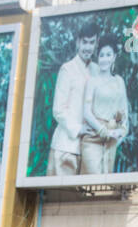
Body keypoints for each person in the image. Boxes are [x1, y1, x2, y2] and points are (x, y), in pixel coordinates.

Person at [47, 20, 98, 176]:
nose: (88, 47)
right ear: (78, 42)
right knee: (59, 198)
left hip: (89, 149)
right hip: (65, 147)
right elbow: (58, 110)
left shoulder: (97, 70)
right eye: (85, 42)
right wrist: (78, 129)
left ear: (96, 43)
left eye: (92, 43)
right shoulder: (67, 69)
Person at [81, 36, 129, 176]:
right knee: (92, 179)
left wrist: (121, 130)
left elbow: (123, 111)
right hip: (93, 136)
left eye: (108, 55)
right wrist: (103, 130)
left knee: (105, 183)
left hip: (112, 137)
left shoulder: (119, 81)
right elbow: (86, 112)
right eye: (101, 55)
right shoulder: (92, 82)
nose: (104, 59)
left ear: (114, 57)